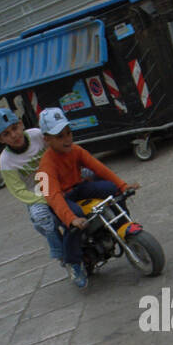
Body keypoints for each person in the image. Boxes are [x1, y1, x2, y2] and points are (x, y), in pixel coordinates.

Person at [37, 107, 139, 288]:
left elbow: (98, 167)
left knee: (111, 189)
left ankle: (122, 226)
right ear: (47, 139)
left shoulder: (76, 150)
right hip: (62, 199)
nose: (67, 139)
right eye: (60, 136)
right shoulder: (45, 165)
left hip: (79, 188)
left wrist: (122, 185)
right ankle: (74, 263)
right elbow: (52, 196)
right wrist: (71, 219)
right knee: (74, 219)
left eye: (68, 133)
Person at [0, 107, 63, 264]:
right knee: (42, 218)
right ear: (0, 140)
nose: (14, 135)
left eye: (14, 128)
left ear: (21, 124)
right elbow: (19, 191)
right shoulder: (6, 160)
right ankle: (63, 255)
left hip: (58, 179)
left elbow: (57, 151)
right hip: (36, 193)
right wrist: (47, 198)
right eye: (6, 134)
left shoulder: (37, 135)